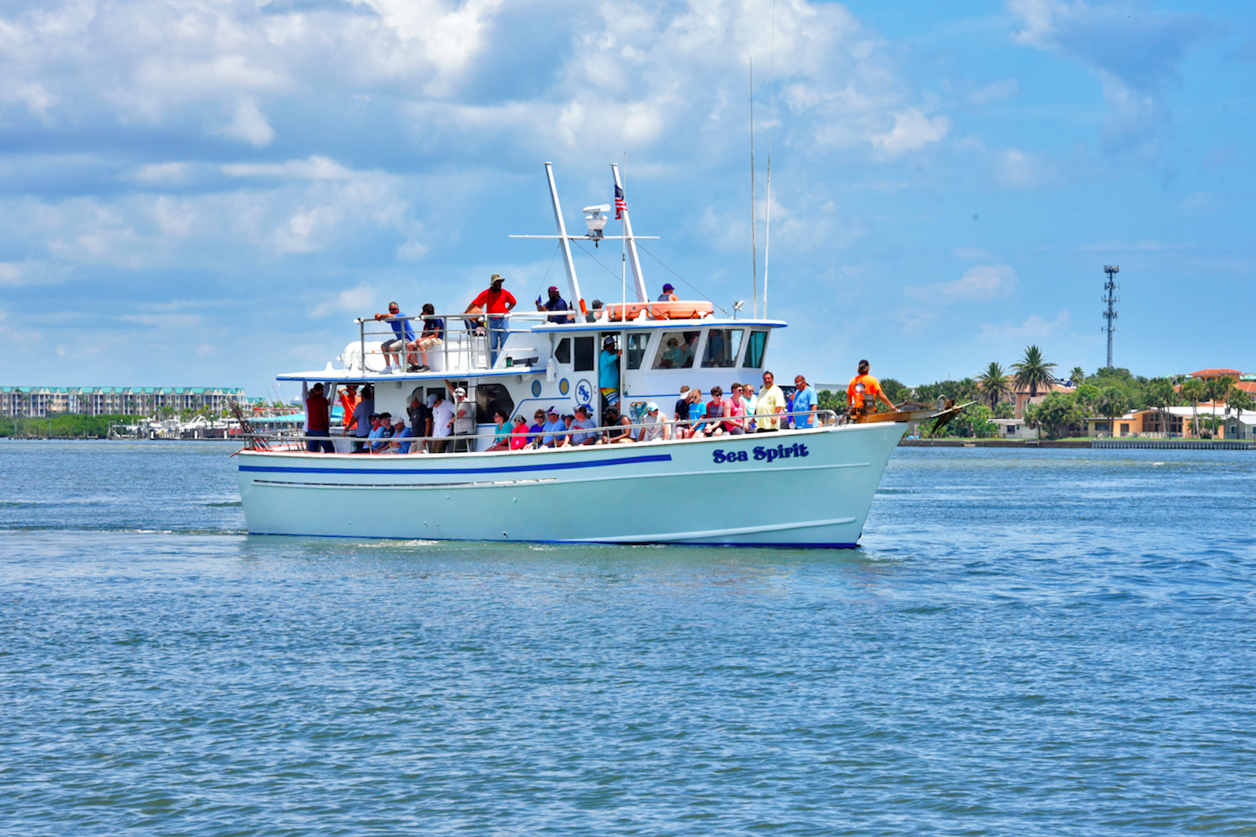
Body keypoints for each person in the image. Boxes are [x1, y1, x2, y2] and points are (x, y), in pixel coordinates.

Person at [469, 273, 516, 366]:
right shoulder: (486, 293)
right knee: (492, 345)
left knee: (505, 343)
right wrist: (468, 312)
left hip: (503, 320)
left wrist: (506, 310)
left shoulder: (505, 292)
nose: (500, 283)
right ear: (493, 283)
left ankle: (504, 364)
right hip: (491, 321)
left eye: (500, 282)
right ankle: (493, 365)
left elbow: (513, 302)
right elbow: (475, 303)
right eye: (498, 282)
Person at [374, 301, 416, 373]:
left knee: (392, 347)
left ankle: (397, 366)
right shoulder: (391, 319)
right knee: (384, 346)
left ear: (398, 309)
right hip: (400, 339)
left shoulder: (401, 315)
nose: (392, 311)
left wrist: (380, 315)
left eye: (393, 309)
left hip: (408, 339)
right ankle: (388, 367)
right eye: (390, 310)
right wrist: (377, 315)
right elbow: (384, 317)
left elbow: (390, 316)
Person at [413, 304, 444, 372]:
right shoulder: (428, 321)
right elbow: (426, 333)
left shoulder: (436, 319)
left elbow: (435, 335)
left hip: (437, 339)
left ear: (426, 312)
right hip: (429, 338)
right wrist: (420, 339)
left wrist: (422, 339)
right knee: (410, 345)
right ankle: (415, 365)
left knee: (421, 344)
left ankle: (425, 366)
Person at [305, 382, 333, 453]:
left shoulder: (308, 400)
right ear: (321, 390)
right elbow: (325, 416)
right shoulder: (322, 400)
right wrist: (326, 429)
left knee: (312, 451)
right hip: (320, 429)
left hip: (311, 428)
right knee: (330, 450)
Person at [446, 381, 475, 451]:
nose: (458, 397)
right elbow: (452, 390)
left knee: (460, 451)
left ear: (464, 395)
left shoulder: (465, 402)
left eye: (460, 396)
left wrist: (450, 422)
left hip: (465, 432)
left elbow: (459, 414)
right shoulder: (457, 400)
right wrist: (445, 380)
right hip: (459, 432)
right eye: (457, 396)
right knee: (456, 450)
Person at [406, 387, 432, 453]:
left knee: (420, 454)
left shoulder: (424, 409)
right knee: (411, 454)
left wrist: (426, 436)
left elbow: (428, 422)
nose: (411, 406)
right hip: (415, 438)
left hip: (422, 437)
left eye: (411, 404)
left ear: (415, 401)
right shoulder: (411, 411)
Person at [350, 385, 375, 452]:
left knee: (360, 451)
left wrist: (348, 427)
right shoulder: (373, 403)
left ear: (362, 395)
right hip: (371, 431)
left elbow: (354, 418)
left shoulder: (360, 405)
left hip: (362, 432)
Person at [600, 336, 621, 410]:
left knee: (614, 407)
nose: (614, 346)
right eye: (613, 344)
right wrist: (617, 355)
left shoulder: (608, 353)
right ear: (610, 344)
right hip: (608, 386)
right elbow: (607, 360)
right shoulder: (605, 353)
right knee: (618, 405)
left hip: (611, 386)